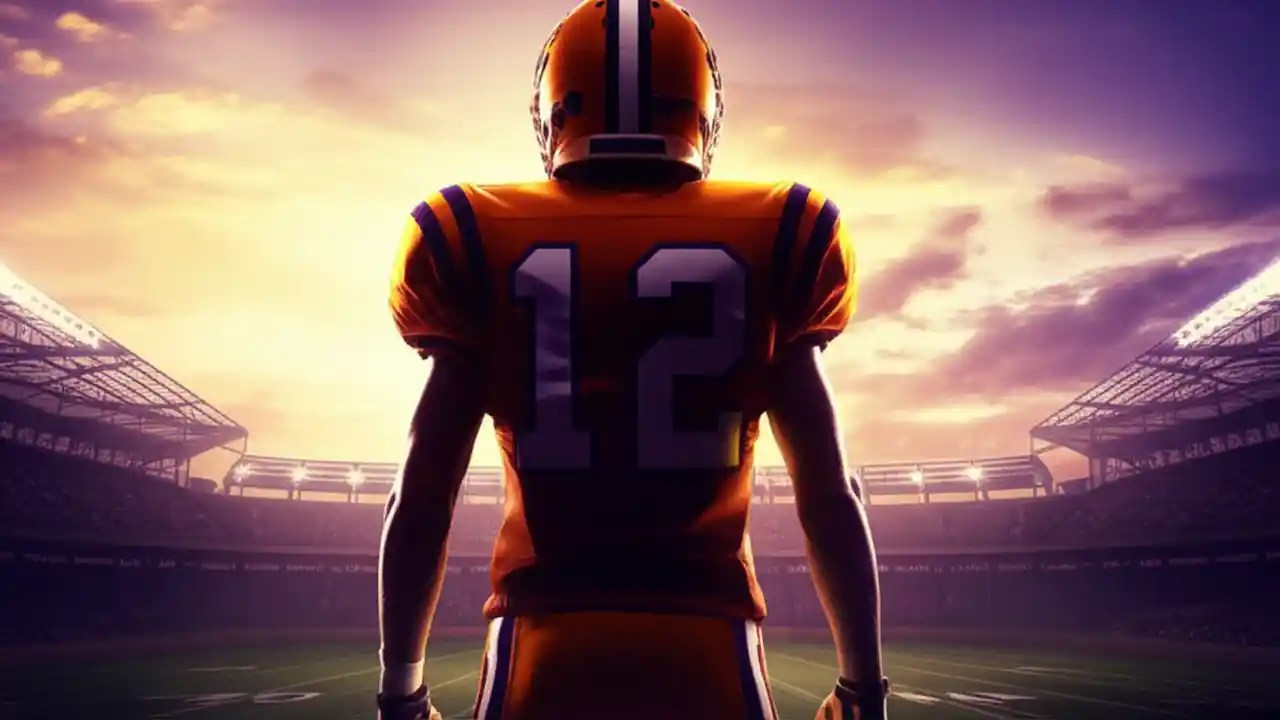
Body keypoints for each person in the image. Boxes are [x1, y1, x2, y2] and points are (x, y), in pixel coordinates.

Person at [377, 2, 887, 718]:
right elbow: (831, 493)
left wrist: (400, 690)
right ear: (702, 111)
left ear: (553, 109)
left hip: (543, 642)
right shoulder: (780, 231)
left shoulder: (471, 233)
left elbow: (423, 494)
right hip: (710, 644)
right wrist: (864, 688)